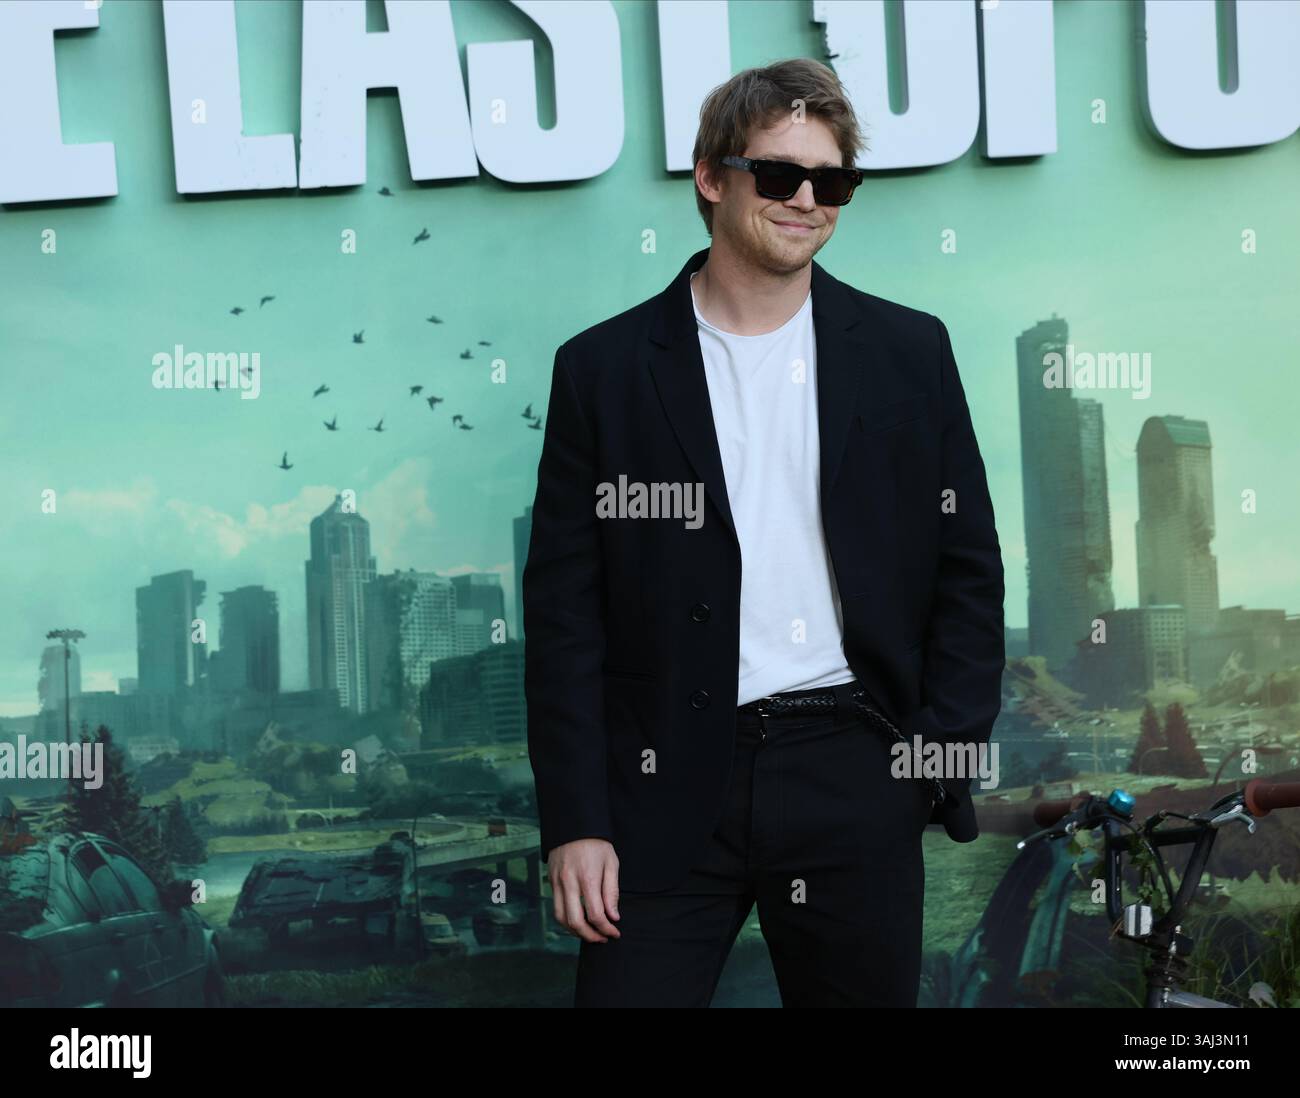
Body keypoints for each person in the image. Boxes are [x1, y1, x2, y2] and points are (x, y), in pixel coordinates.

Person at [523, 58, 1005, 1007]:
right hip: (660, 788)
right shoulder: (602, 371)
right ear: (711, 175)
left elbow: (969, 571)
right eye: (779, 175)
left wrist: (926, 769)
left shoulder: (910, 353)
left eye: (831, 183)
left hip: (853, 773)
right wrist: (576, 822)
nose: (805, 201)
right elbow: (565, 614)